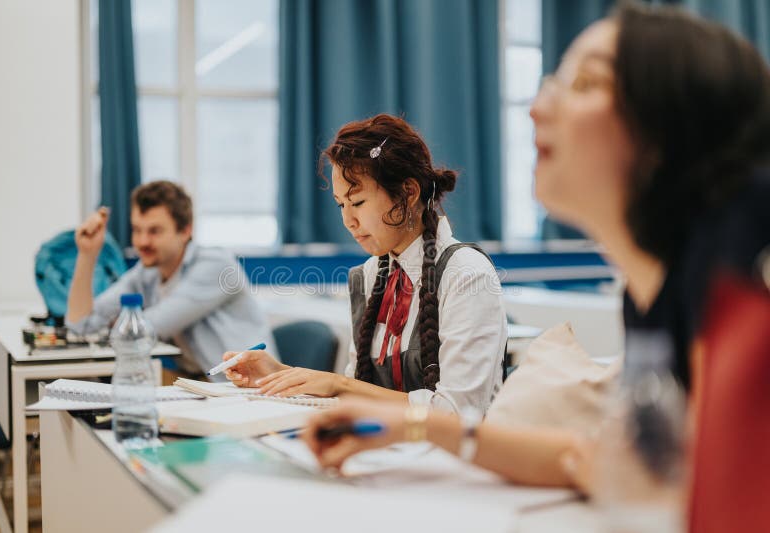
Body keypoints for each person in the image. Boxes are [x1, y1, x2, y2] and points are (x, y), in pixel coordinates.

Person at [301, 1, 770, 493]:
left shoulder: (745, 265)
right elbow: (586, 459)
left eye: (586, 84)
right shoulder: (653, 292)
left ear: (676, 131)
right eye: (553, 84)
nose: (537, 107)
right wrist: (409, 425)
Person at [223, 114, 507, 414]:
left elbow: (458, 414)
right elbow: (359, 395)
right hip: (384, 451)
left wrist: (339, 385)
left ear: (408, 193)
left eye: (357, 202)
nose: (348, 221)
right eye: (341, 205)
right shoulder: (370, 274)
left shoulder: (467, 274)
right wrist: (278, 375)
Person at [66, 180, 277, 379]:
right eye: (137, 230)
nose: (142, 241)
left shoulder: (216, 266)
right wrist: (87, 254)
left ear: (185, 231)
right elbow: (81, 325)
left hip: (241, 388)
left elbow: (150, 329)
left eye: (154, 231)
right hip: (196, 382)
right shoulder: (147, 272)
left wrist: (119, 323)